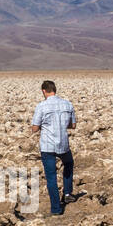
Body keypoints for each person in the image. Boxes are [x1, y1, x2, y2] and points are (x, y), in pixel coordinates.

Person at [29, 80, 76, 215]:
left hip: (48, 146)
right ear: (54, 90)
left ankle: (56, 209)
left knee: (51, 177)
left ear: (44, 91)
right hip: (64, 144)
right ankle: (67, 193)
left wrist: (40, 126)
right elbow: (73, 126)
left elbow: (35, 128)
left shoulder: (41, 106)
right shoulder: (68, 104)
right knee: (68, 164)